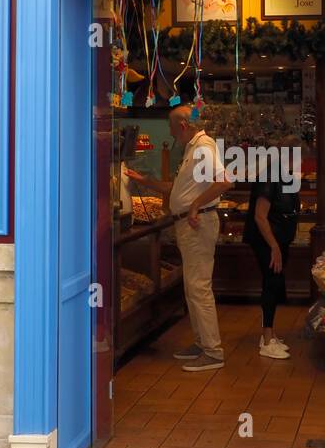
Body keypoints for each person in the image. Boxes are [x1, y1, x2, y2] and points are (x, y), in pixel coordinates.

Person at [125, 105, 232, 371]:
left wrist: (194, 206)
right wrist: (145, 180)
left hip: (198, 224)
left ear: (183, 126)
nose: (171, 135)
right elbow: (178, 188)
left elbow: (225, 181)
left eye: (172, 129)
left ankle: (212, 351)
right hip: (191, 224)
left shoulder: (203, 148)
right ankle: (202, 342)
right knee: (192, 287)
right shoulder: (193, 149)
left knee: (198, 288)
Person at [243, 137, 301, 359]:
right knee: (271, 282)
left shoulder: (285, 175)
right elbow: (260, 217)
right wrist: (274, 246)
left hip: (278, 239)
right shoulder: (269, 176)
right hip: (267, 240)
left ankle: (270, 334)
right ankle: (267, 341)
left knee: (274, 284)